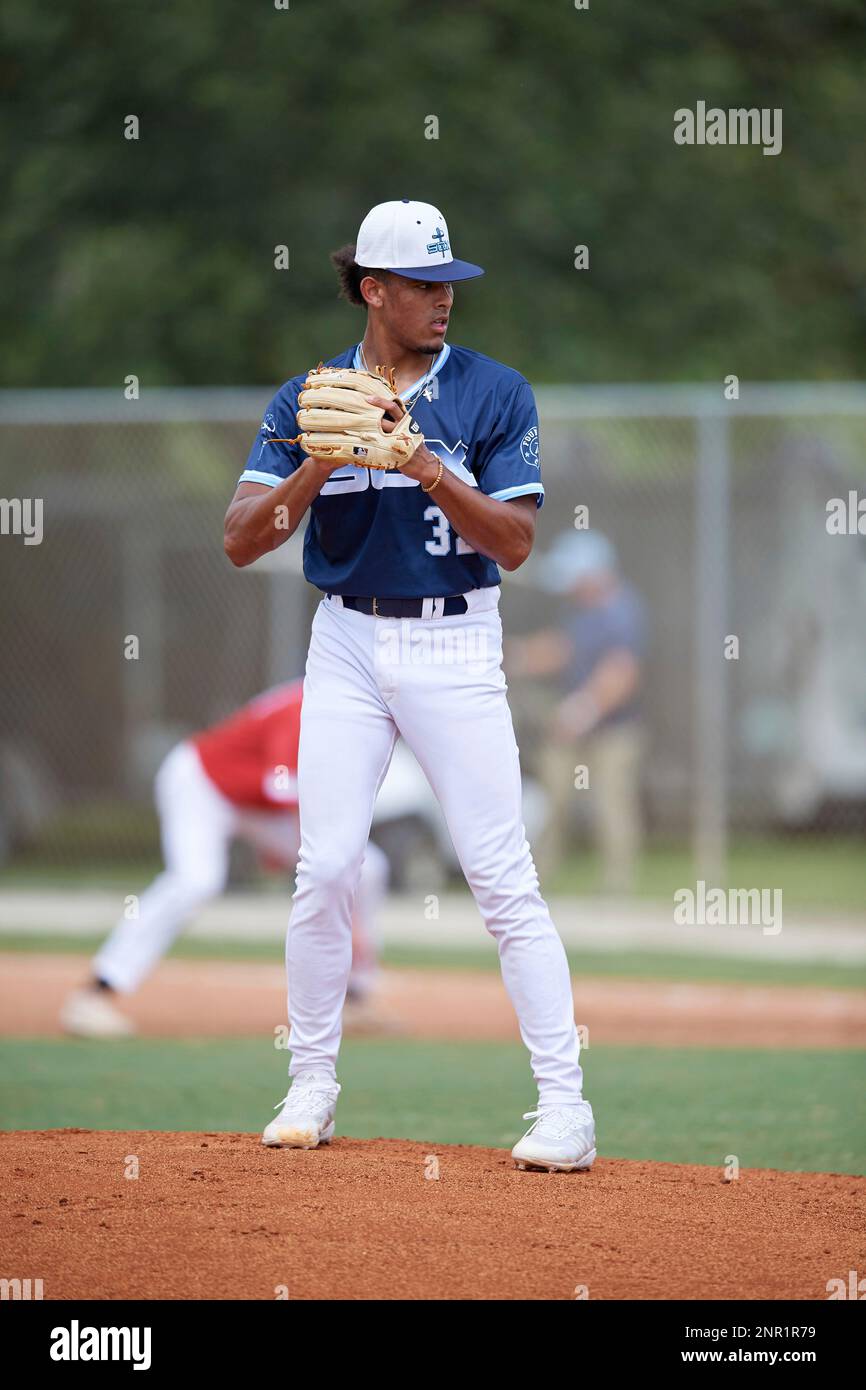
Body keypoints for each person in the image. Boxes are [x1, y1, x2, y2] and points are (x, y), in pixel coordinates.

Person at [224, 199, 595, 1173]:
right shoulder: (309, 396)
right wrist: (317, 461)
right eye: (424, 283)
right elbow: (239, 541)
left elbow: (514, 545)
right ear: (371, 289)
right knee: (324, 868)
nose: (443, 299)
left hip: (453, 644)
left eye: (449, 283)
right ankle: (310, 1083)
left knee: (499, 877)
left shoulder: (493, 392)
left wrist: (424, 464)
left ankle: (565, 1107)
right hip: (345, 640)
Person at [61, 681, 388, 1037]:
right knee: (195, 882)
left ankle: (353, 1000)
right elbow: (284, 787)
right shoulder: (307, 705)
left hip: (255, 802)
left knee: (368, 868)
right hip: (201, 783)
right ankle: (94, 994)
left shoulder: (348, 710)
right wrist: (346, 911)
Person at [507, 530, 648, 892]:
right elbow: (564, 648)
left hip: (614, 730)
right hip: (572, 728)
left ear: (594, 575)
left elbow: (621, 672)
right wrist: (517, 656)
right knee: (554, 797)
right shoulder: (579, 610)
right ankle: (538, 878)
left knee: (610, 803)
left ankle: (618, 886)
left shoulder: (622, 611)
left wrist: (581, 711)